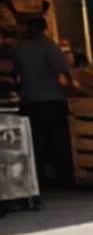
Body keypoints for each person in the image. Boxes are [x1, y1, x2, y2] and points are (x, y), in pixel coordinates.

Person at [14, 17, 74, 187]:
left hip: (30, 101)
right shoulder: (50, 47)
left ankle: (39, 178)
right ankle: (64, 177)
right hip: (52, 100)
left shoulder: (20, 47)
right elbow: (63, 73)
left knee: (36, 142)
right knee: (58, 141)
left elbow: (18, 74)